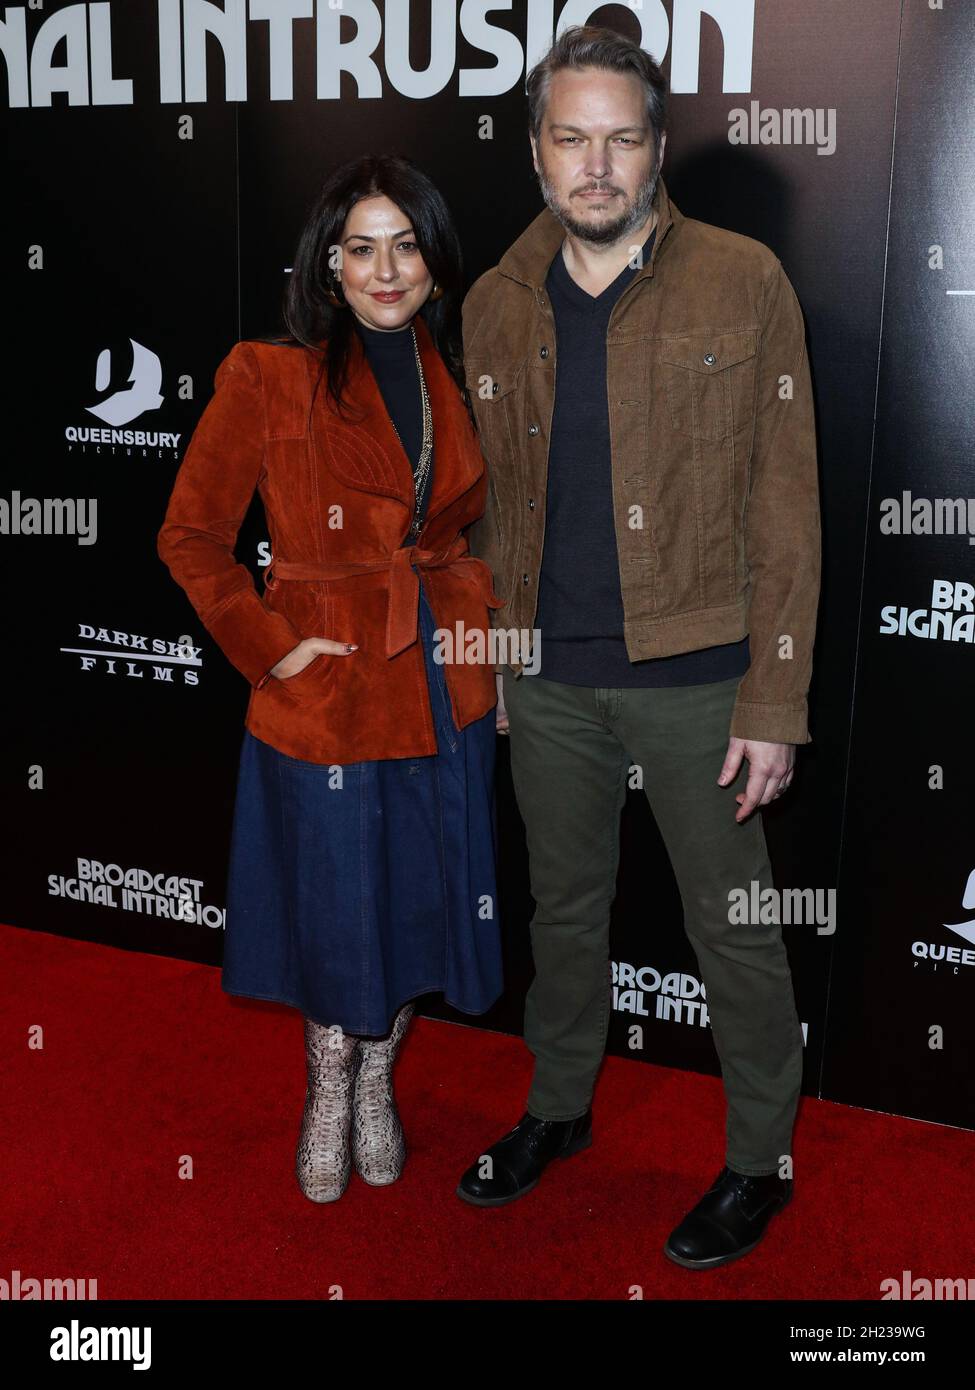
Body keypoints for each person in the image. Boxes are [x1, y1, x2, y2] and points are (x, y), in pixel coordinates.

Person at [457, 25, 821, 1270]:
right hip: (549, 679)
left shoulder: (742, 279)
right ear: (537, 152)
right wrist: (502, 658)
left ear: (657, 148)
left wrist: (774, 696)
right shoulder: (496, 301)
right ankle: (557, 1110)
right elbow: (496, 503)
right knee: (564, 915)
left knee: (737, 927)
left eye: (622, 138)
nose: (597, 165)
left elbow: (787, 503)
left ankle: (758, 1161)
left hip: (701, 677)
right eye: (573, 138)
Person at [157, 155, 505, 1204]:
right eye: (361, 246)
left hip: (444, 686)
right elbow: (190, 538)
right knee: (339, 904)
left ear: (436, 264)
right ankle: (330, 1080)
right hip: (333, 695)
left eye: (406, 244)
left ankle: (381, 1077)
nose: (385, 268)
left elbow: (469, 530)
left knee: (415, 903)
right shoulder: (268, 375)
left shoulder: (464, 373)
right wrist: (271, 646)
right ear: (328, 264)